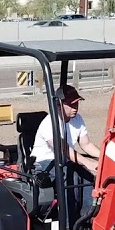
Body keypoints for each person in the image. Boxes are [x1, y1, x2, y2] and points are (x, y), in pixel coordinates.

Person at [30, 84, 101, 218]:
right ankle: (69, 224)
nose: (75, 108)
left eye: (76, 103)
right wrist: (88, 163)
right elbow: (63, 149)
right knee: (70, 176)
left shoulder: (77, 119)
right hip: (44, 164)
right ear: (59, 105)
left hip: (65, 160)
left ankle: (87, 217)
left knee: (87, 175)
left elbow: (86, 144)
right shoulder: (50, 123)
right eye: (71, 104)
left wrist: (105, 157)